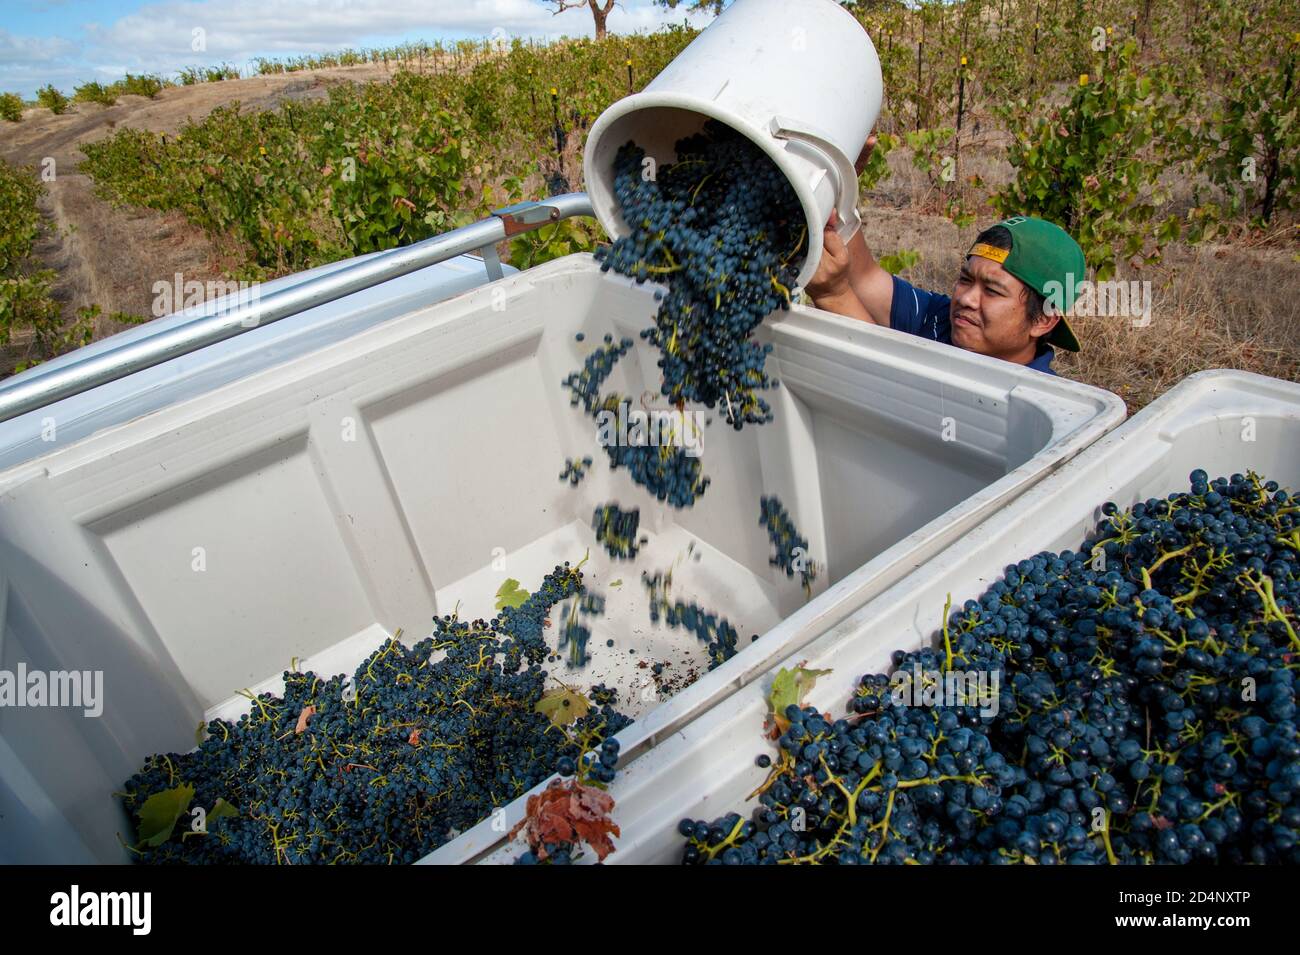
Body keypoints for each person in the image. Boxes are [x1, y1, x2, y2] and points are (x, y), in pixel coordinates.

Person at [804, 136, 1086, 375]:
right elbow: (865, 279)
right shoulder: (942, 321)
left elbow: (901, 397)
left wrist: (834, 297)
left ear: (1043, 320)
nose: (966, 299)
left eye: (992, 290)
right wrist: (838, 191)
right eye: (966, 279)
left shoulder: (1035, 401)